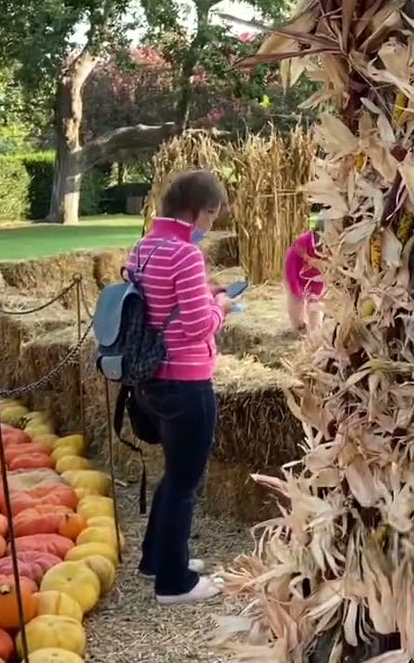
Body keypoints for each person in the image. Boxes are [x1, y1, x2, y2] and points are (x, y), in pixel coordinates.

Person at [127, 169, 233, 604]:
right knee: (185, 482)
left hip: (150, 379)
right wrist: (221, 306)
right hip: (186, 381)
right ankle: (174, 582)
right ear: (195, 211)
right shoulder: (185, 255)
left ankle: (158, 556)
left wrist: (205, 299)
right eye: (211, 214)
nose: (211, 224)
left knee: (173, 475)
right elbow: (195, 326)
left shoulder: (145, 246)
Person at [283, 219, 324, 332]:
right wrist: (296, 289)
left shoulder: (329, 246)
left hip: (316, 273)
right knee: (296, 298)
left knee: (315, 300)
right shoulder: (299, 246)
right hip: (296, 270)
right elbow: (291, 272)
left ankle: (315, 330)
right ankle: (299, 326)